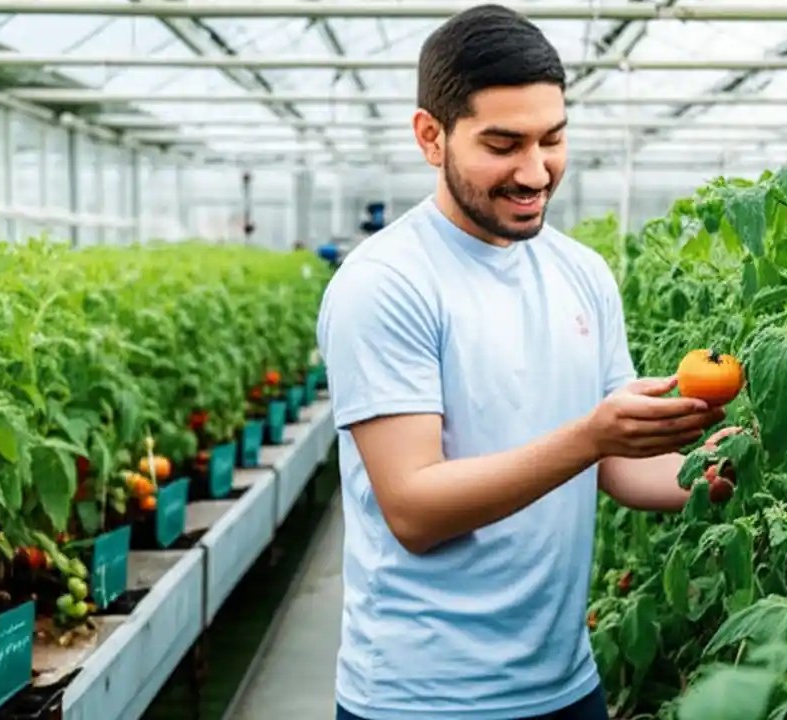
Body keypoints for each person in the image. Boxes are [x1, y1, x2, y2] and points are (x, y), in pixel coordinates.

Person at [315, 5, 740, 719]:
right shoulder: (386, 282)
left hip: (566, 683)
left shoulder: (581, 272)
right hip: (424, 699)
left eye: (553, 139)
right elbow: (414, 508)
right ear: (430, 136)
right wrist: (592, 435)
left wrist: (716, 468)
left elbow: (617, 468)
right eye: (503, 144)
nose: (535, 171)